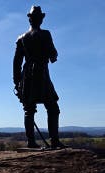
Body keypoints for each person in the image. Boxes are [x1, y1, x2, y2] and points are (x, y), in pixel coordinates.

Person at [13, 6, 65, 149]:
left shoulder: (21, 38)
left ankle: (31, 142)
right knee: (53, 107)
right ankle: (54, 141)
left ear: (30, 19)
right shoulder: (45, 34)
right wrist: (51, 55)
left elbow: (16, 64)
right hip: (41, 75)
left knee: (29, 109)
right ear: (40, 19)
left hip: (27, 76)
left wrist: (17, 83)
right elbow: (53, 55)